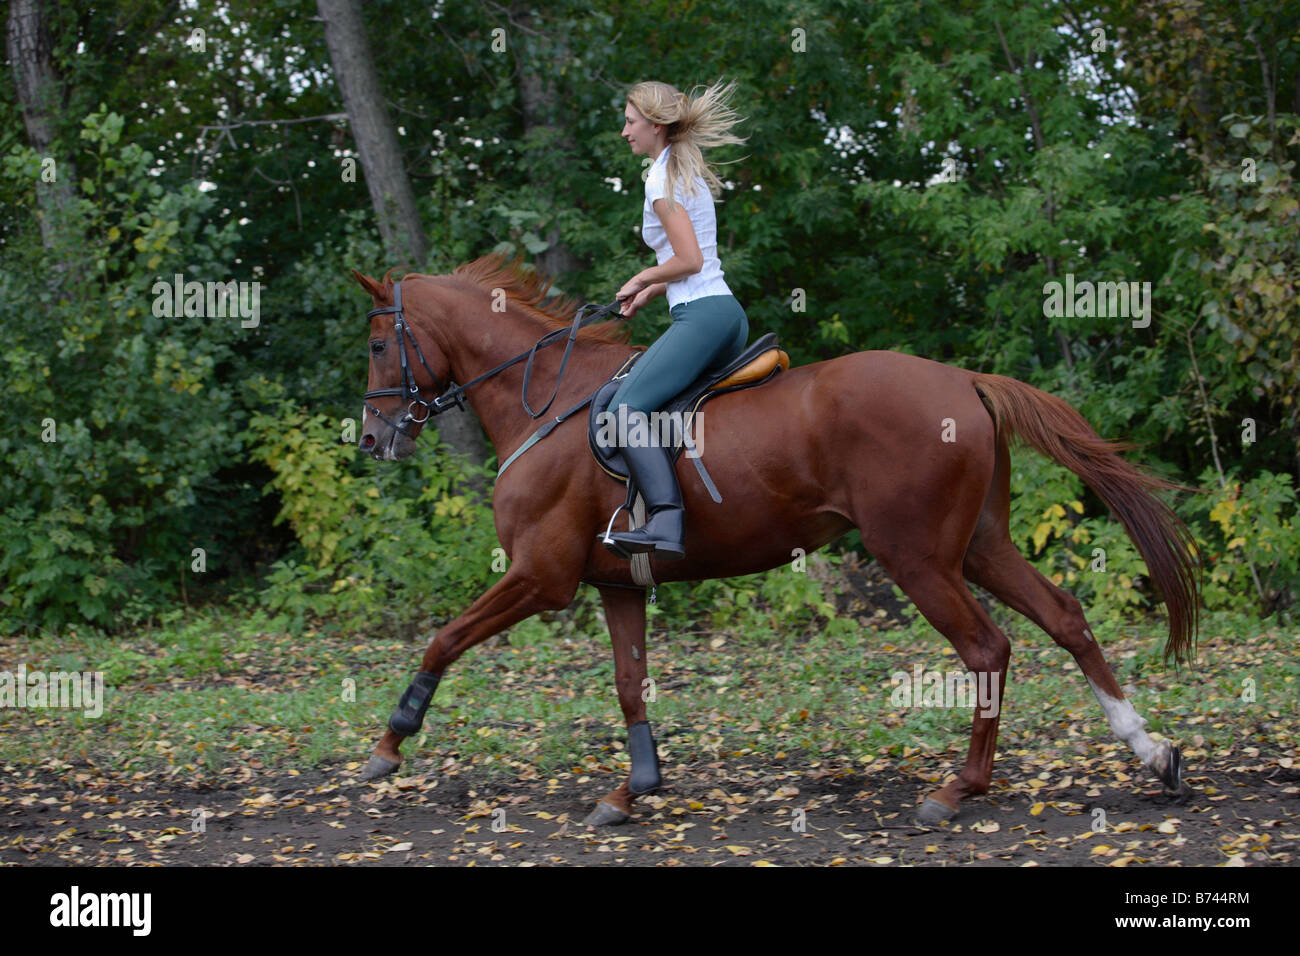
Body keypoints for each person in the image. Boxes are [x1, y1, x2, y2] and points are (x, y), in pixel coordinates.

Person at [601, 79, 749, 562]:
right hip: (723, 313)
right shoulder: (679, 170)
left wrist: (642, 273)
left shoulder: (660, 178)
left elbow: (687, 258)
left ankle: (665, 519)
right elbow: (696, 262)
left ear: (656, 125)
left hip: (703, 315)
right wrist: (650, 290)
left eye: (630, 121)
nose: (625, 131)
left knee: (624, 411)